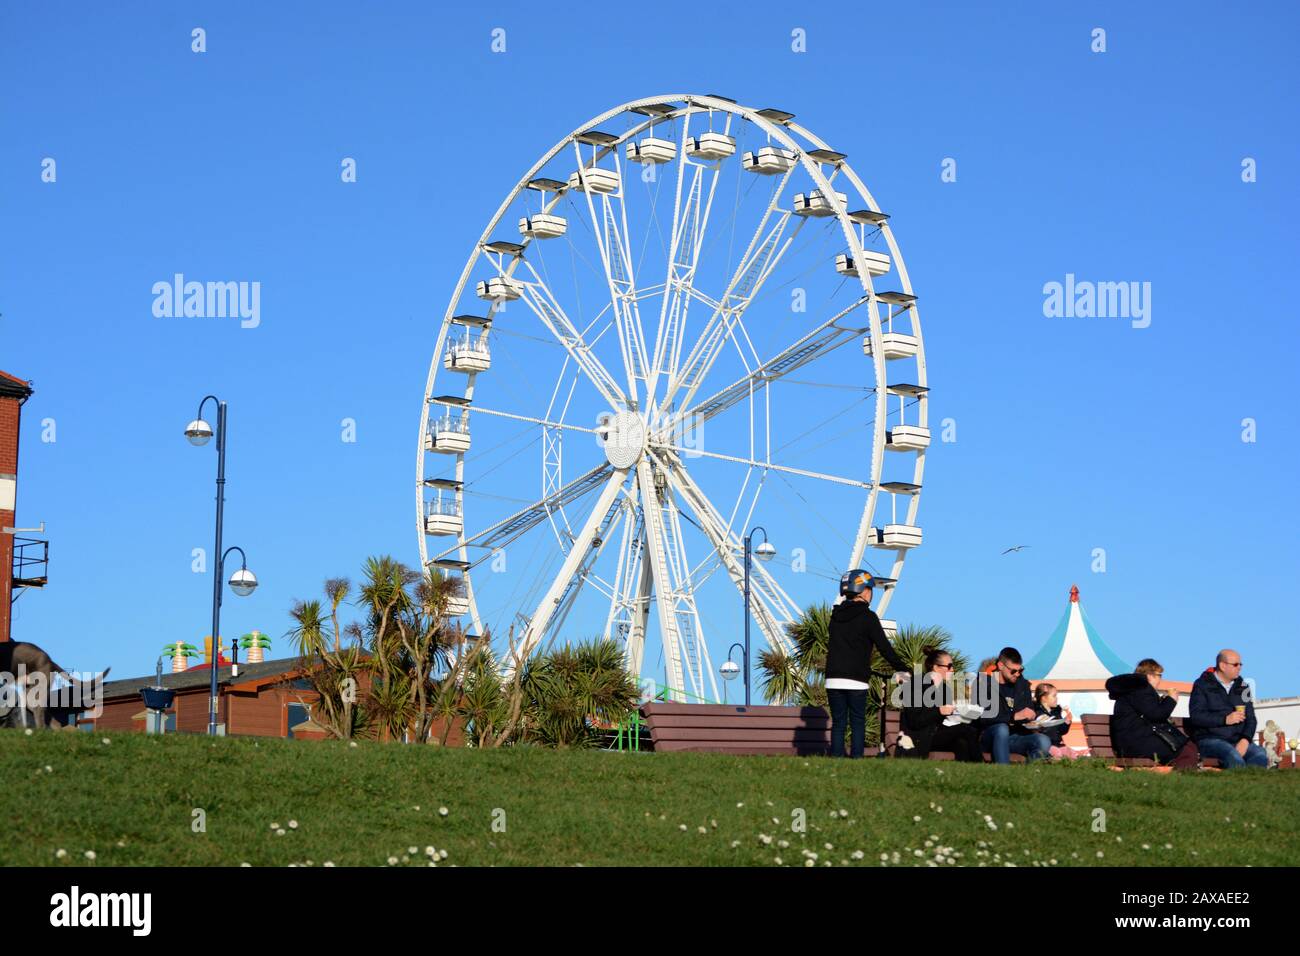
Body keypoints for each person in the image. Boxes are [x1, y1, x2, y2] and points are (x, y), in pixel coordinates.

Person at [824, 569, 908, 758]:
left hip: (833, 678)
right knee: (857, 722)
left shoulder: (834, 617)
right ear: (863, 591)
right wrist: (903, 668)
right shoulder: (868, 617)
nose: (871, 594)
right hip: (856, 679)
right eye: (870, 589)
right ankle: (856, 760)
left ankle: (836, 758)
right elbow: (885, 648)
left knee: (838, 723)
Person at [1104, 659, 1199, 768]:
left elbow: (1150, 713)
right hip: (1138, 744)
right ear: (1150, 675)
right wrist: (1171, 699)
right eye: (1159, 675)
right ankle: (1181, 779)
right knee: (1185, 750)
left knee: (1187, 747)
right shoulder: (1141, 689)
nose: (1160, 679)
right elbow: (1157, 715)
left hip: (1133, 741)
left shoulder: (1134, 689)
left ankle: (1181, 776)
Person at [1188, 649, 1268, 769]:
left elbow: (1251, 719)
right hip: (1210, 740)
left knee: (1260, 755)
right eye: (1235, 664)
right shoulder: (1202, 685)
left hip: (1238, 740)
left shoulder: (1243, 687)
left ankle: (1253, 785)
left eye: (1241, 664)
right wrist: (1225, 719)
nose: (1239, 667)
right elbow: (1196, 716)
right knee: (1233, 756)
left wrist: (1245, 739)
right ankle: (1236, 786)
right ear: (1222, 666)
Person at [897, 647, 982, 761]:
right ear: (936, 667)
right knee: (966, 730)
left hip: (937, 734)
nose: (952, 670)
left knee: (962, 742)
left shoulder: (944, 689)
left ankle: (968, 775)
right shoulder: (915, 685)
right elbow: (914, 721)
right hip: (920, 737)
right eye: (949, 666)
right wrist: (939, 711)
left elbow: (943, 719)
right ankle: (984, 765)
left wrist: (957, 713)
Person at [972, 647, 1050, 763]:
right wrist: (1013, 717)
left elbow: (1028, 710)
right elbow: (982, 717)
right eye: (1013, 671)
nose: (1017, 674)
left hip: (1015, 736)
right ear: (1000, 666)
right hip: (989, 736)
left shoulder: (1022, 685)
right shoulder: (983, 683)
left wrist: (1035, 720)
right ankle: (1003, 774)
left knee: (1043, 740)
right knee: (1001, 728)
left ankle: (1029, 776)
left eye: (1020, 670)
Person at [1031, 683, 1076, 759]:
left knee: (1070, 752)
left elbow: (1062, 731)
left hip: (1058, 744)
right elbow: (1036, 729)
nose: (1057, 698)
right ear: (1044, 698)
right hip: (1046, 745)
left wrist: (1066, 722)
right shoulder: (1037, 712)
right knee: (1057, 753)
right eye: (1054, 696)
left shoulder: (1056, 711)